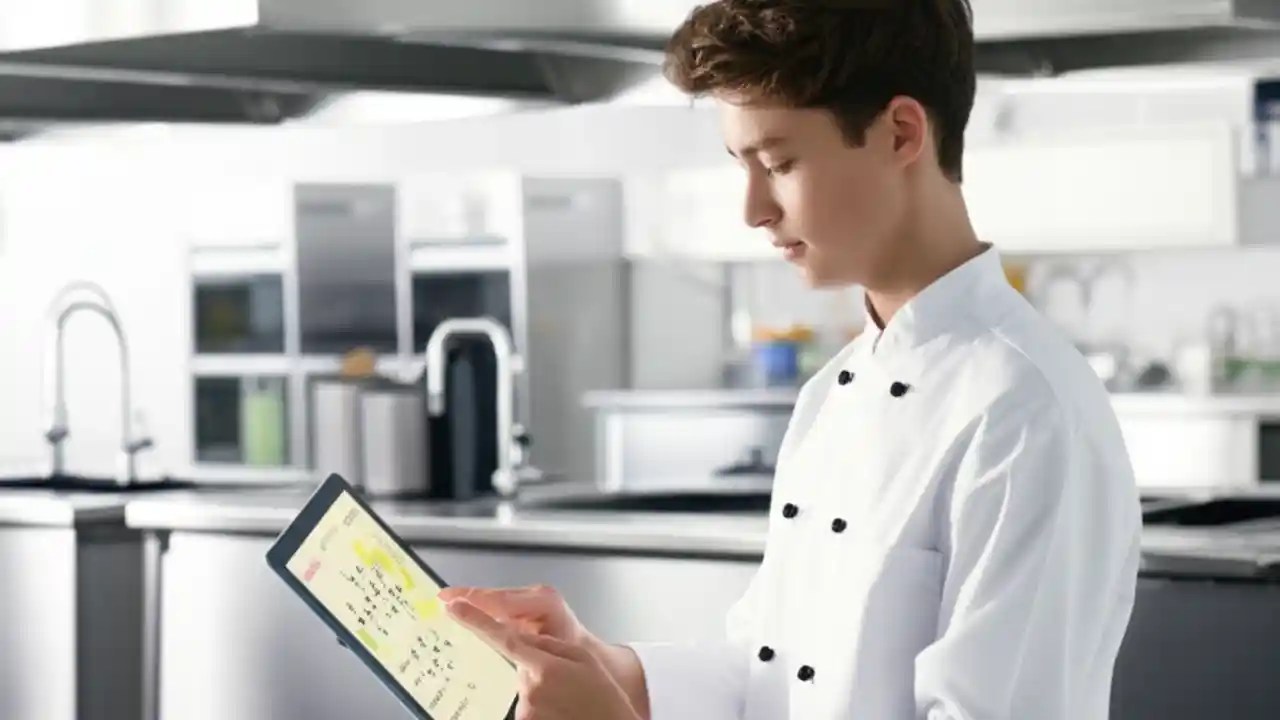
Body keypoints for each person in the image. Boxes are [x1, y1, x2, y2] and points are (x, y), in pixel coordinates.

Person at [442, 1, 1143, 718]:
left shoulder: (1022, 412)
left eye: (779, 163)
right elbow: (774, 670)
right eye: (743, 167)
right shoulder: (832, 394)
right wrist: (612, 672)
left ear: (901, 133)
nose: (753, 209)